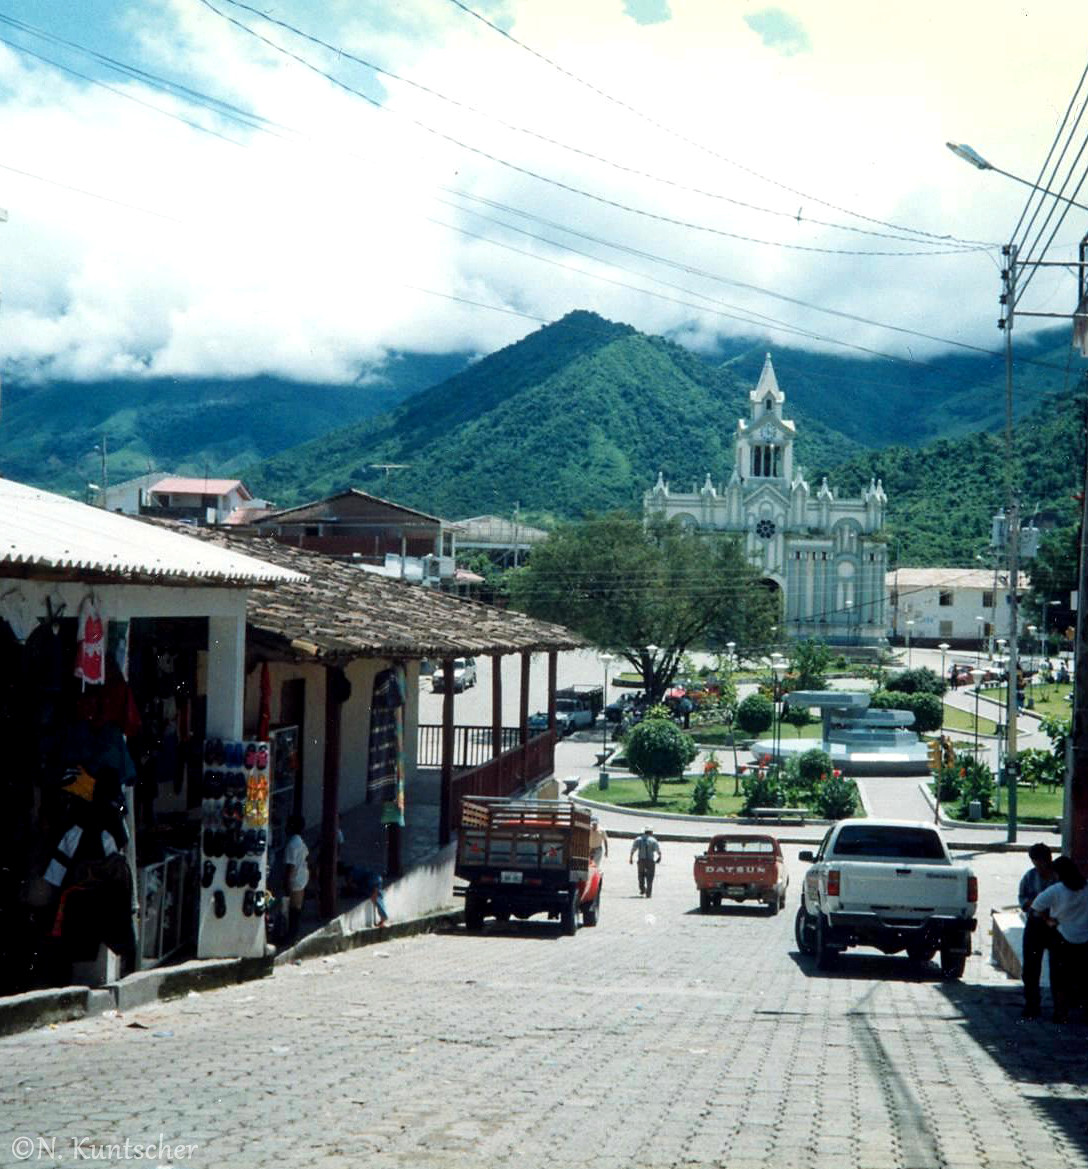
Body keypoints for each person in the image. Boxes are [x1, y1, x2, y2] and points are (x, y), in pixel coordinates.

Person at [1029, 855, 1088, 1023]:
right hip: (1084, 939)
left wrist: (1048, 920)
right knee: (1082, 978)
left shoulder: (1057, 890)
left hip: (1062, 937)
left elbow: (1036, 906)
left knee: (1060, 979)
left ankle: (1061, 1014)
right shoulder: (1086, 888)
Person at [1018, 843, 1058, 1020]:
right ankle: (1032, 1004)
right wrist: (1037, 903)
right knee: (1031, 967)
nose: (1040, 865)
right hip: (1035, 925)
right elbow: (1024, 902)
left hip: (1055, 926)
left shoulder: (1058, 877)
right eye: (1037, 862)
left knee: (1057, 967)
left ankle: (1059, 1005)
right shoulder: (1029, 877)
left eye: (1043, 861)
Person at [283, 814, 310, 943]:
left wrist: (287, 883)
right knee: (297, 908)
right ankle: (294, 935)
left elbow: (291, 866)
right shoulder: (300, 841)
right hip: (302, 877)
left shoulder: (292, 844)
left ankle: (291, 936)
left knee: (294, 909)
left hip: (295, 880)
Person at [629, 826, 661, 897]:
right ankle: (648, 893)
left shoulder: (638, 839)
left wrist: (631, 858)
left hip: (641, 860)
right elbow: (658, 850)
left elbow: (633, 849)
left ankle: (642, 888)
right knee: (650, 877)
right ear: (651, 832)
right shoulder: (653, 840)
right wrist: (659, 857)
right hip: (650, 860)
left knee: (641, 875)